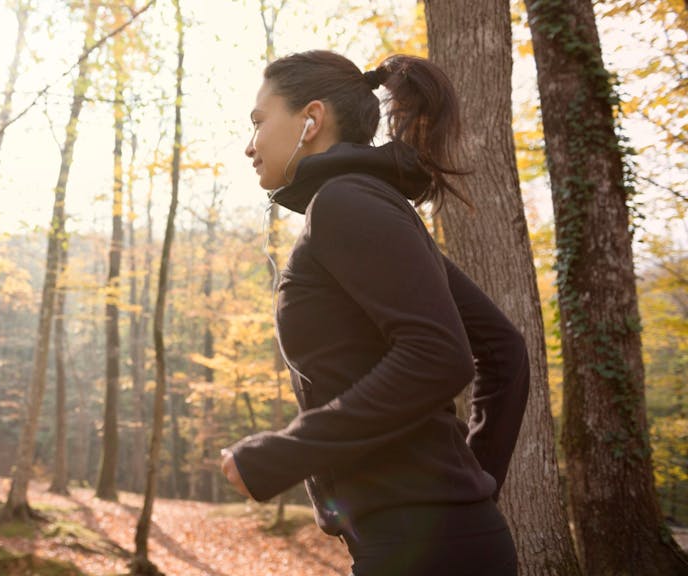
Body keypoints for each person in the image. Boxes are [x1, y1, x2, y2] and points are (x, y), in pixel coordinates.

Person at [218, 51, 530, 576]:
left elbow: (438, 355)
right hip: (431, 538)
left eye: (258, 121)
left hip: (424, 547)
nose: (250, 145)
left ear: (311, 118)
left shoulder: (347, 202)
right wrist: (472, 486)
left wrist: (282, 453)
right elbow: (504, 350)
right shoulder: (363, 204)